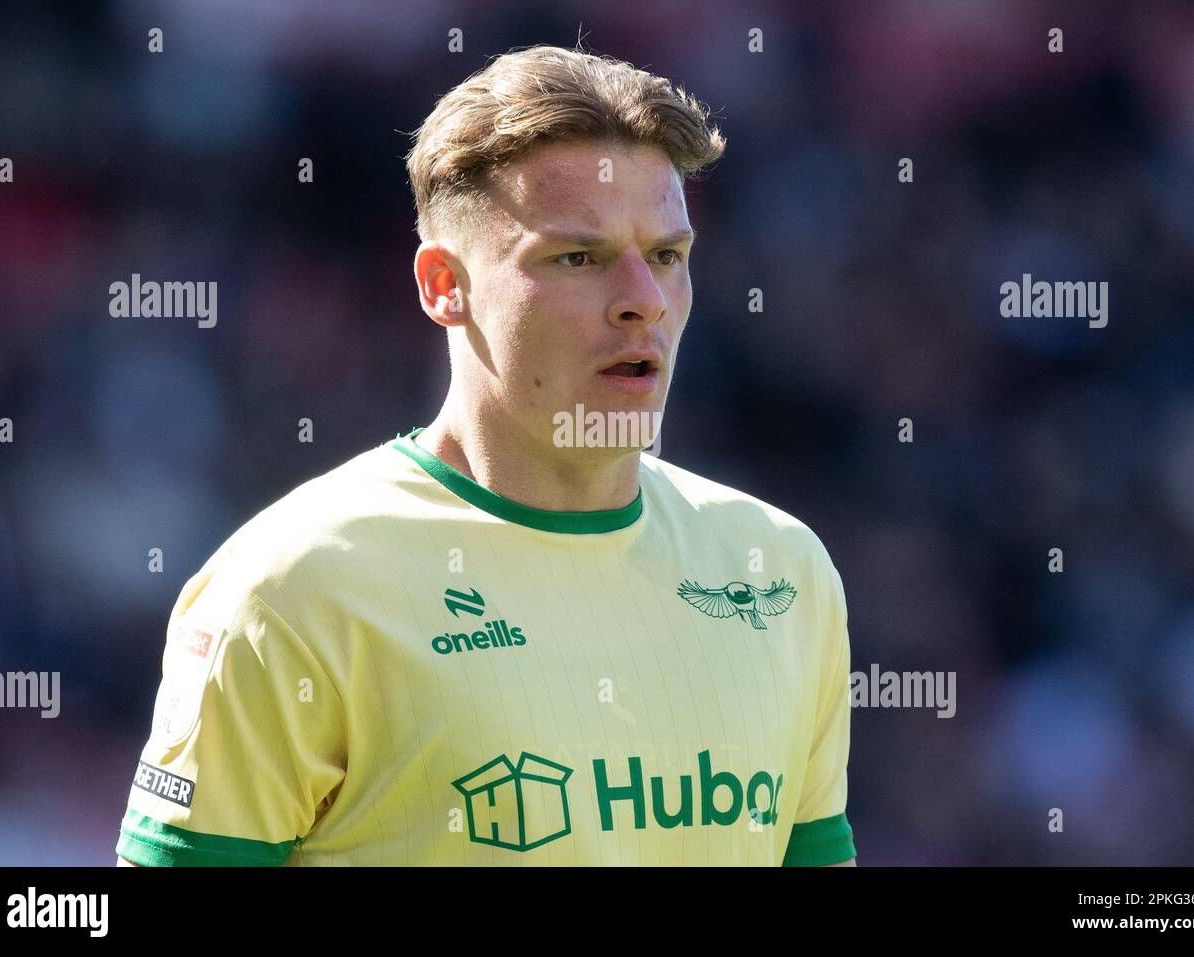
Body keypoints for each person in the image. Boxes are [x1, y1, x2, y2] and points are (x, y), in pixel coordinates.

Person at [116, 43, 855, 866]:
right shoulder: (293, 587)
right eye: (577, 258)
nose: (643, 302)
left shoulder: (781, 574)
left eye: (667, 256)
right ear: (443, 284)